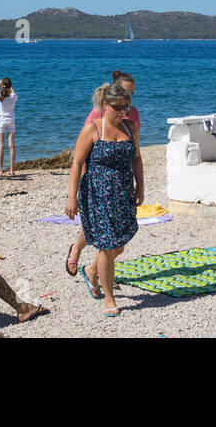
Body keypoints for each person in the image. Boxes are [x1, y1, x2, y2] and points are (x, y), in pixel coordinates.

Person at [67, 81, 143, 317]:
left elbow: (137, 159)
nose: (122, 112)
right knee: (108, 247)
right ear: (104, 105)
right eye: (118, 107)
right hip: (97, 194)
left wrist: (140, 186)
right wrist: (72, 198)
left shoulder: (130, 128)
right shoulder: (92, 129)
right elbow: (76, 164)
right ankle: (109, 299)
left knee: (119, 244)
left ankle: (91, 270)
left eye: (126, 108)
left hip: (122, 193)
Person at [0, 77, 18, 176]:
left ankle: (1, 170)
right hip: (10, 120)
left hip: (1, 121)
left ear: (2, 86)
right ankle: (11, 170)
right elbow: (13, 92)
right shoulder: (13, 96)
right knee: (11, 145)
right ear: (10, 85)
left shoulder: (0, 96)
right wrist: (10, 87)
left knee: (1, 145)